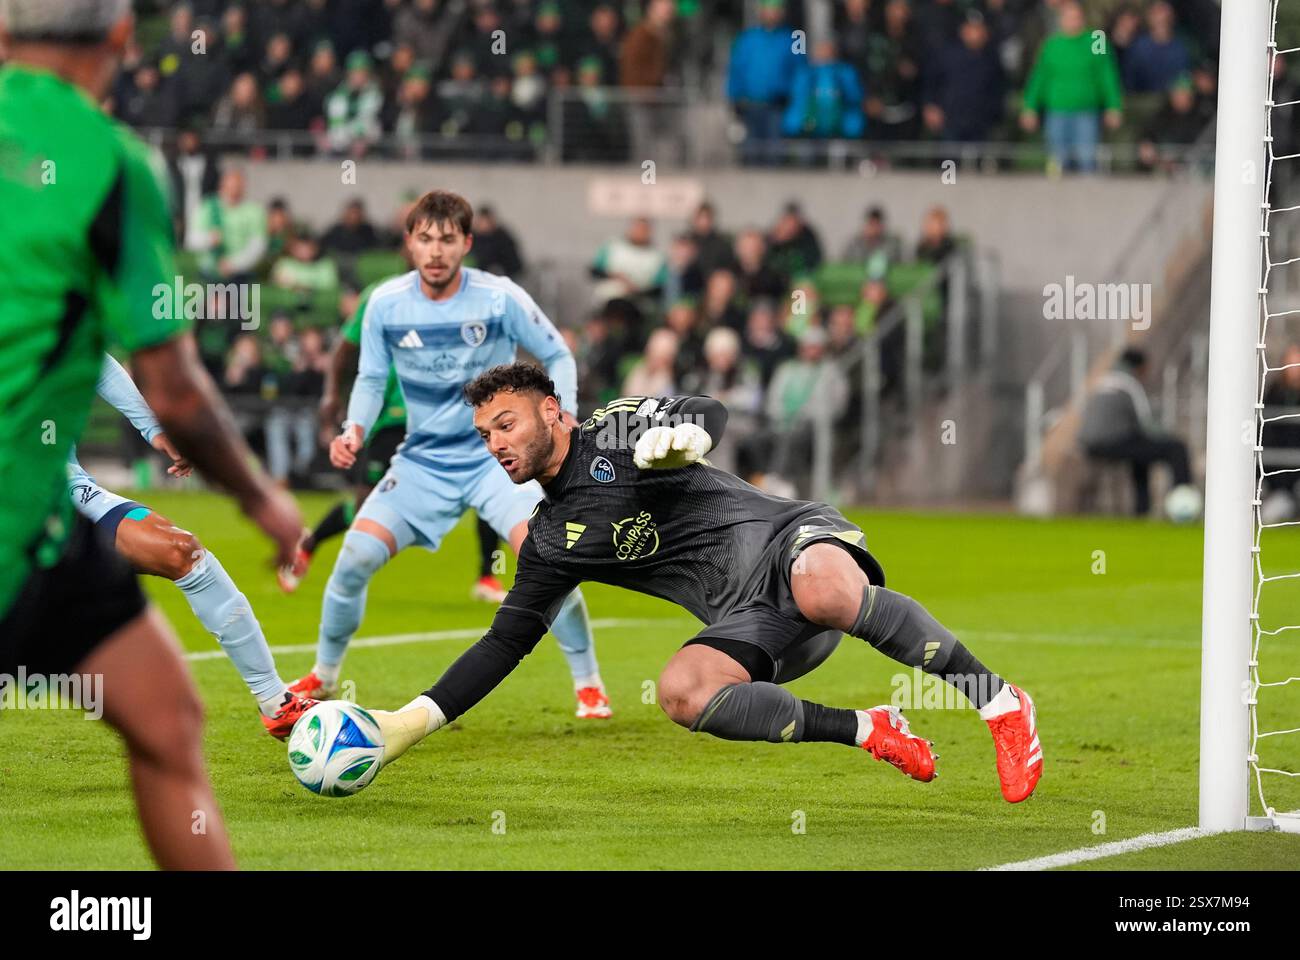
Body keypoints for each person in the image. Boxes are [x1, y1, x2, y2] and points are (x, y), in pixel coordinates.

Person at [358, 363, 1043, 805]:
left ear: (553, 412)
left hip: (796, 542)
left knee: (824, 590)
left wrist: (680, 437)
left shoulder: (613, 429)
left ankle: (1001, 704)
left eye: (505, 423)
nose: (495, 442)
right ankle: (869, 727)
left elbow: (709, 411)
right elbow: (503, 644)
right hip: (753, 622)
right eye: (484, 434)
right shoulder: (546, 540)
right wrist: (407, 724)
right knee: (680, 693)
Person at [0, 0, 302, 869]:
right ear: (124, 39)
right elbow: (174, 382)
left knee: (166, 711)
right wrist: (263, 499)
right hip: (21, 522)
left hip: (49, 519)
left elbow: (85, 344)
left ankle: (274, 698)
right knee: (167, 730)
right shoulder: (115, 164)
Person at [289, 190, 612, 720]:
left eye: (446, 239)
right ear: (409, 243)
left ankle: (589, 683)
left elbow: (556, 351)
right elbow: (370, 377)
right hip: (422, 463)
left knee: (550, 562)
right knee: (354, 559)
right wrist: (354, 429)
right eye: (424, 238)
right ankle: (324, 676)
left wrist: (565, 412)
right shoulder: (386, 305)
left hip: (498, 462)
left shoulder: (499, 297)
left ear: (465, 242)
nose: (435, 251)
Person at [69, 357, 313, 738]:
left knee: (183, 552)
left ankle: (275, 701)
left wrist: (153, 427)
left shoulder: (47, 311)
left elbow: (95, 361)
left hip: (63, 490)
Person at [1077, 347, 1195, 516]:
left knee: (1140, 454)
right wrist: (1167, 437)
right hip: (1114, 442)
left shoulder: (1102, 382)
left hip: (1088, 444)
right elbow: (1146, 423)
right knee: (1176, 448)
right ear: (1139, 367)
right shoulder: (1129, 384)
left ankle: (1142, 509)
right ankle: (1183, 505)